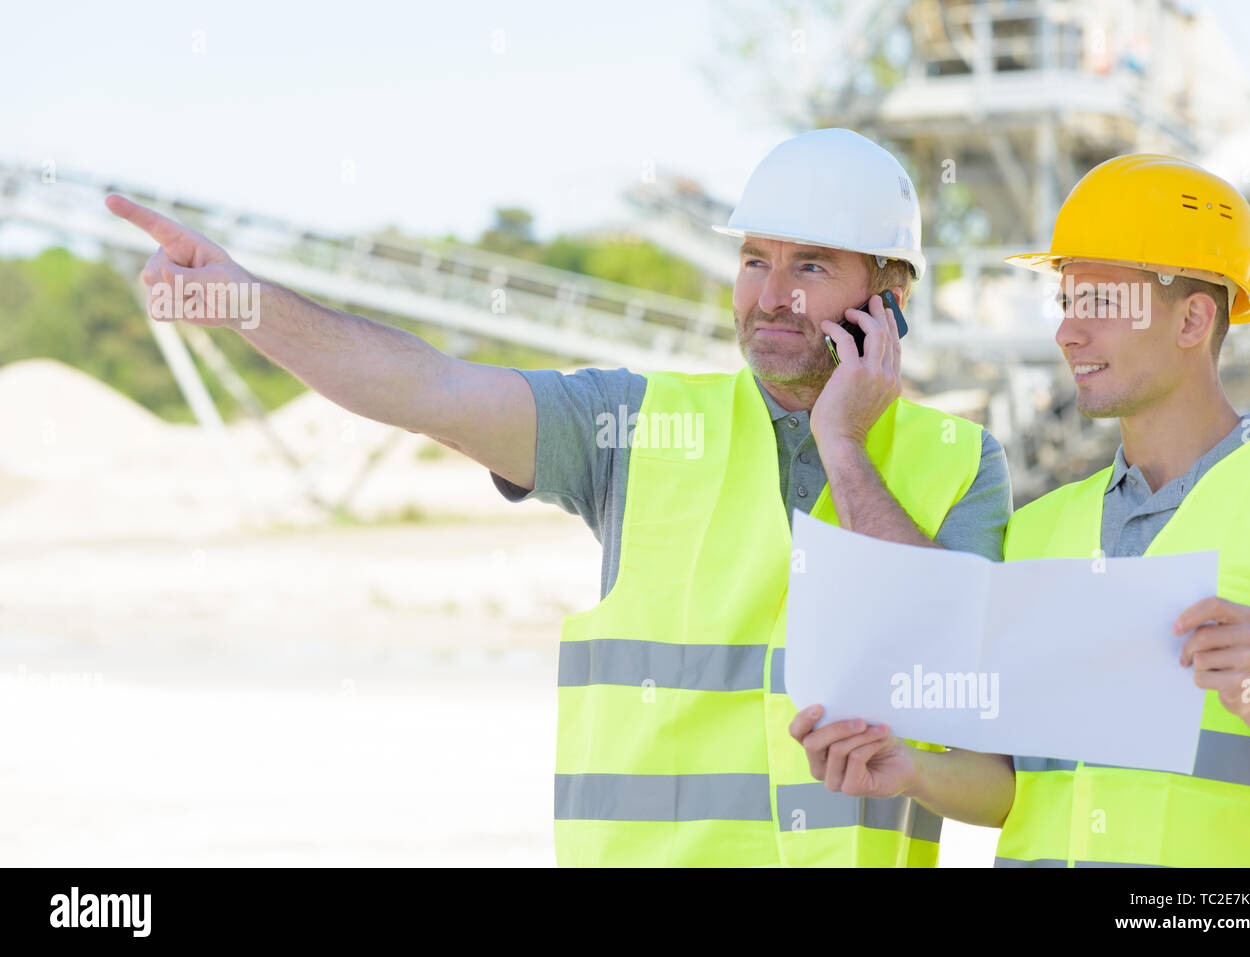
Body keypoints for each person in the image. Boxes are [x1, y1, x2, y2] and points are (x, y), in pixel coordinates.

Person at [106, 127, 1011, 867]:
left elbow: (967, 696)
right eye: (752, 261)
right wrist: (246, 304)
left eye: (810, 267)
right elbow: (433, 390)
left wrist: (845, 448)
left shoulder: (961, 463)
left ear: (886, 300)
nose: (769, 297)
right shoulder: (635, 420)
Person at [789, 153, 1250, 867]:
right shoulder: (1038, 528)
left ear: (1192, 319)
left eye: (1100, 305)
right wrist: (912, 769)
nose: (1066, 332)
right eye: (1067, 303)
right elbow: (1012, 785)